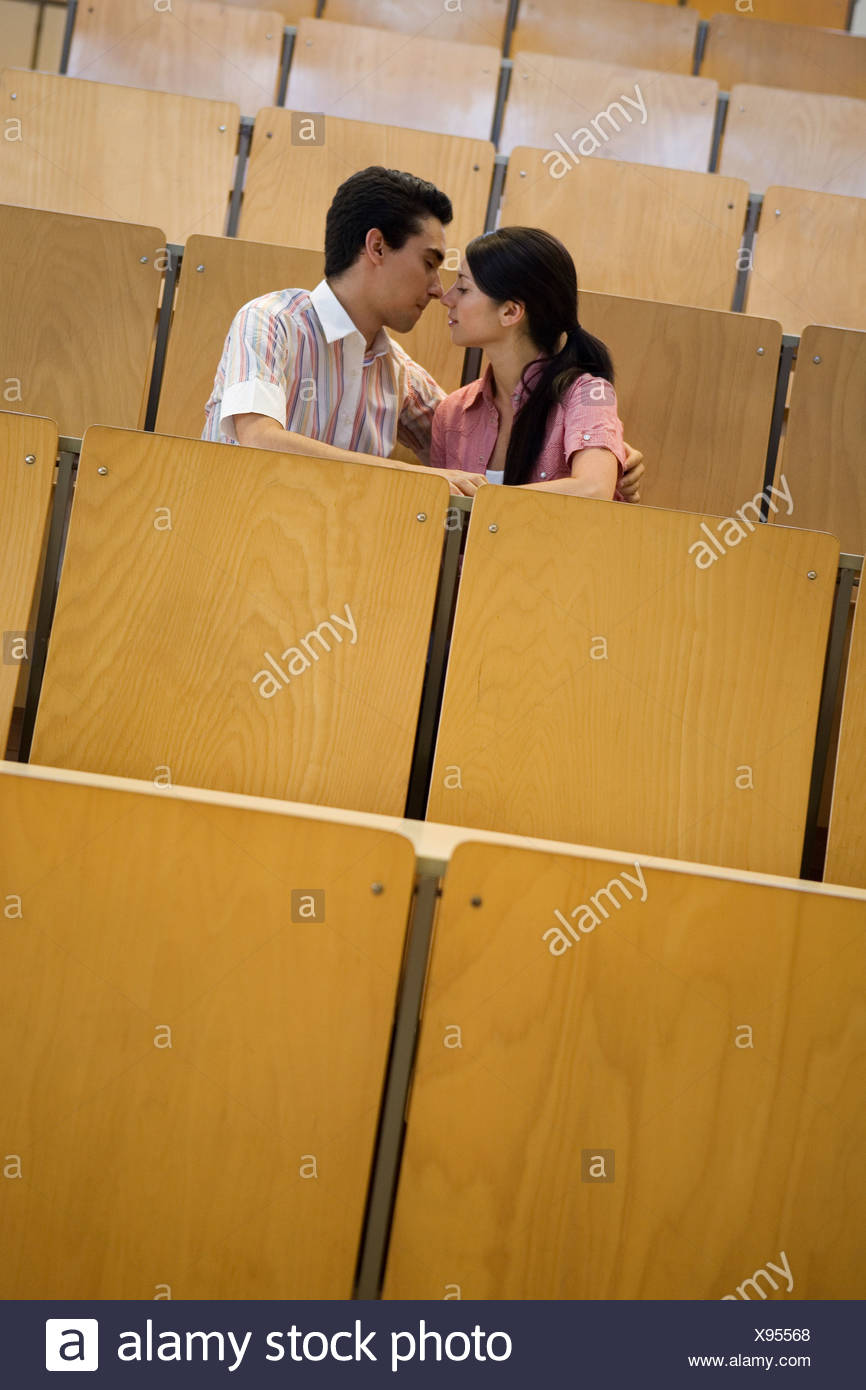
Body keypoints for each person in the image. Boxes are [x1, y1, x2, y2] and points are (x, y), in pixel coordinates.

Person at [203, 166, 644, 500]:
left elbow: (482, 434)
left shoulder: (397, 371)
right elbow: (259, 438)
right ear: (376, 247)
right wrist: (424, 477)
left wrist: (601, 448)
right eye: (430, 263)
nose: (439, 291)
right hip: (240, 536)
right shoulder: (269, 321)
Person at [433, 227, 625, 500]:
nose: (446, 298)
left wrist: (486, 505)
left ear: (510, 311)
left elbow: (594, 490)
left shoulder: (590, 395)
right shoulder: (451, 412)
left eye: (463, 288)